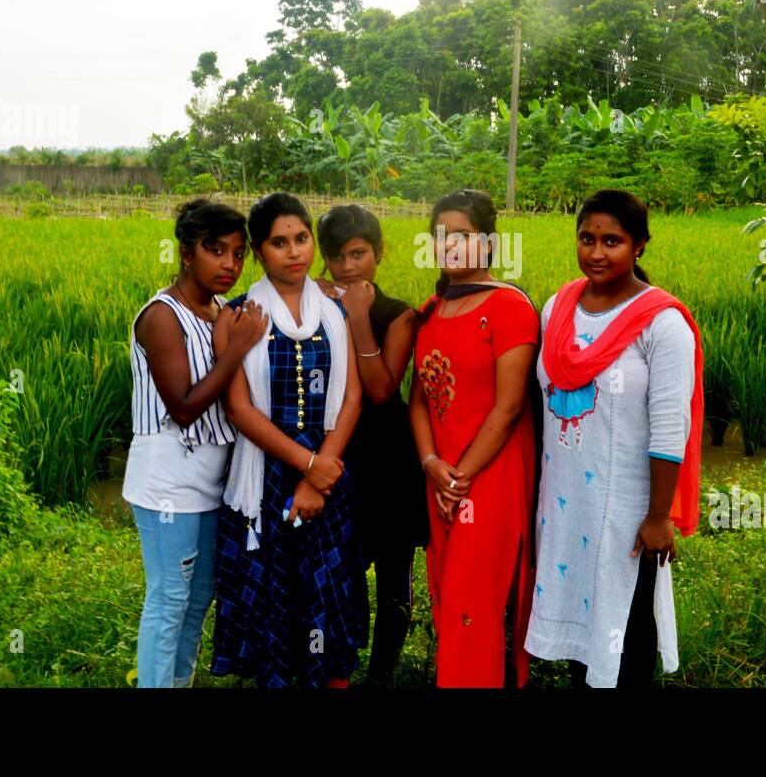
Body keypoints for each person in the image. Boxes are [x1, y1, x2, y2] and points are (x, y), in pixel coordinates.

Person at [524, 189, 704, 688]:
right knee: (584, 624)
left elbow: (671, 427)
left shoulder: (663, 324)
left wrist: (657, 516)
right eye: (587, 238)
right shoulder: (557, 307)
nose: (597, 252)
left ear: (639, 246)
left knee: (627, 628)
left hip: (628, 509)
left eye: (612, 241)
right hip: (566, 501)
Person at [209, 191, 366, 688]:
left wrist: (319, 477)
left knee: (326, 590)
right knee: (276, 596)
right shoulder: (237, 316)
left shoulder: (335, 310)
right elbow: (238, 409)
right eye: (279, 243)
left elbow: (352, 400)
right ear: (258, 252)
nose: (295, 251)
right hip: (267, 478)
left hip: (329, 471)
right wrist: (306, 466)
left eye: (301, 239)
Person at [123, 198, 268, 688]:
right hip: (169, 485)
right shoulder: (162, 316)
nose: (229, 264)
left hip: (213, 486)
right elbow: (183, 406)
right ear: (186, 254)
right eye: (215, 250)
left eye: (237, 253)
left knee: (200, 594)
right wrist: (238, 351)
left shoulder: (218, 311)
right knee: (169, 598)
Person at [409, 189, 539, 688]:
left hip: (488, 475)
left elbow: (508, 409)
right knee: (448, 592)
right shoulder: (433, 310)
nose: (451, 247)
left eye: (463, 236)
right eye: (441, 237)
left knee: (474, 596)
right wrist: (429, 463)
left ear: (488, 242)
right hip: (441, 475)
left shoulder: (509, 308)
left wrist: (459, 478)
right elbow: (420, 399)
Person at [316, 204, 427, 687]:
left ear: (379, 253)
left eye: (359, 253)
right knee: (337, 567)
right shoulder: (313, 308)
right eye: (336, 256)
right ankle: (333, 660)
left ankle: (380, 674)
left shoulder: (397, 314)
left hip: (388, 457)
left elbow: (382, 389)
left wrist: (357, 316)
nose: (347, 266)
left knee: (393, 574)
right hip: (338, 456)